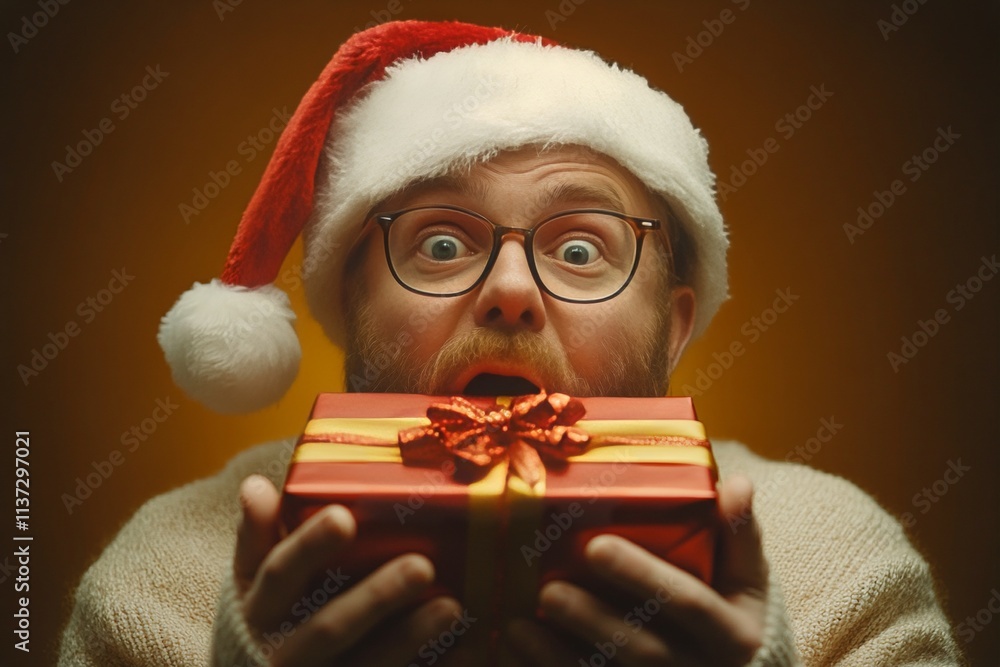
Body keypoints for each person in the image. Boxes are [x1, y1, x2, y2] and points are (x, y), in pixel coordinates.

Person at [58, 20, 962, 666]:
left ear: (674, 323)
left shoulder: (842, 565)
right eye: (442, 244)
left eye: (579, 249)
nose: (510, 293)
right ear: (351, 298)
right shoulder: (161, 582)